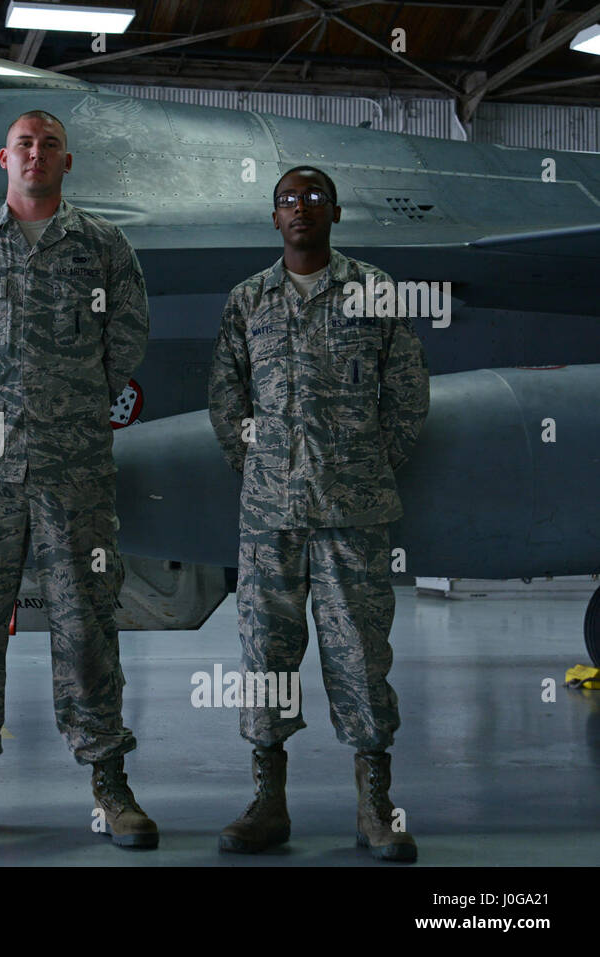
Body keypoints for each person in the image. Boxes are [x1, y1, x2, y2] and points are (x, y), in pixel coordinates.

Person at [0, 110, 154, 848]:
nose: (36, 154)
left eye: (49, 145)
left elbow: (129, 335)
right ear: (3, 158)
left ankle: (109, 782)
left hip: (73, 467)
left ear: (66, 162)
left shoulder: (103, 247)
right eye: (25, 144)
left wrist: (71, 406)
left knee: (87, 620)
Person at [208, 166, 430, 862]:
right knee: (265, 657)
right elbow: (226, 397)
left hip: (351, 514)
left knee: (360, 658)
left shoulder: (374, 292)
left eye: (311, 198)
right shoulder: (248, 301)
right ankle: (268, 802)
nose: (299, 209)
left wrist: (363, 464)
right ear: (273, 218)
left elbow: (408, 394)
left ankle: (374, 805)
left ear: (334, 211)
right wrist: (262, 466)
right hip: (270, 518)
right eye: (286, 201)